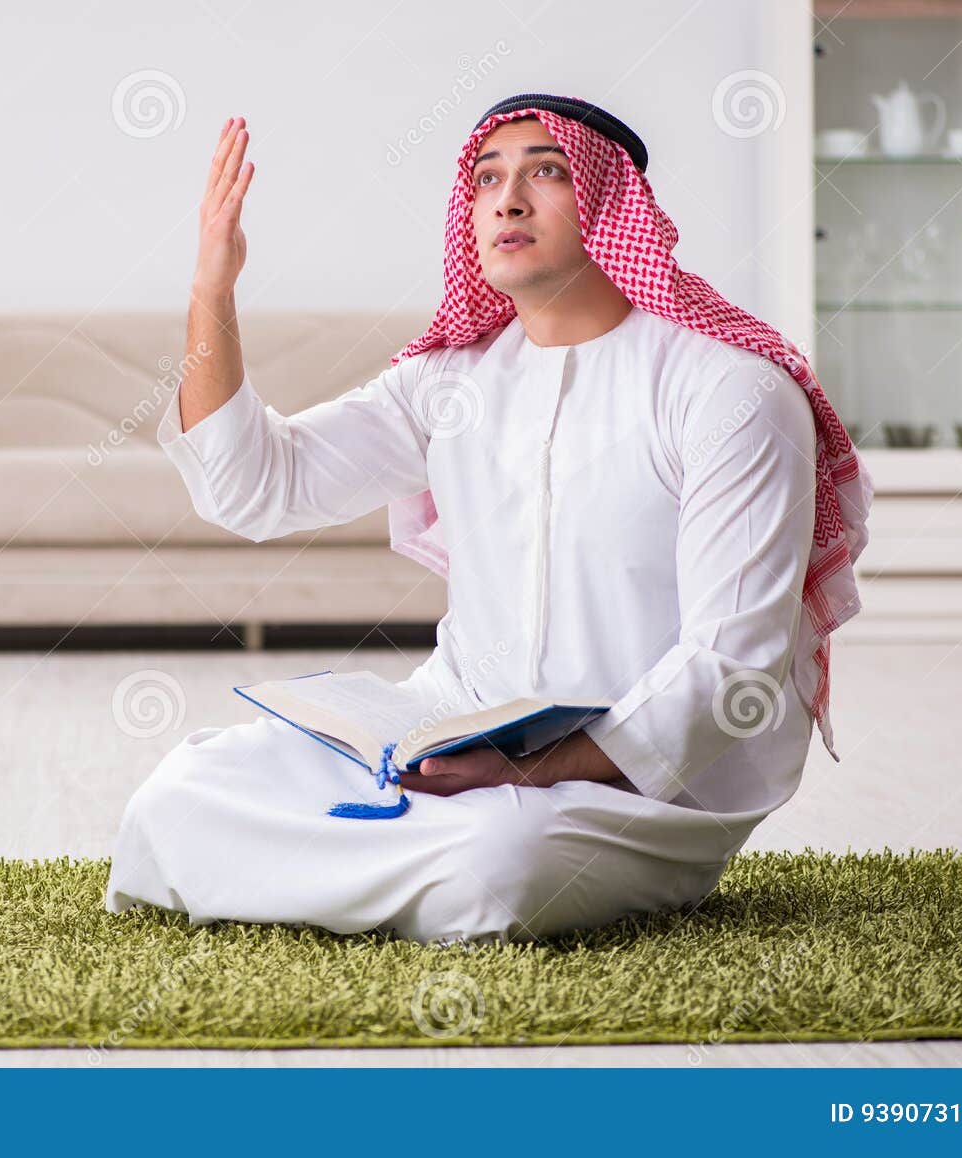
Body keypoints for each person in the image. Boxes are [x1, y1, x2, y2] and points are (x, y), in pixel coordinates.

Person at [104, 94, 874, 945]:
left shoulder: (729, 389)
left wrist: (532, 768)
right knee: (179, 795)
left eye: (547, 172)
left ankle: (344, 861)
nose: (508, 199)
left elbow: (733, 667)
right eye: (487, 178)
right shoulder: (450, 382)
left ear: (610, 200)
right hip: (446, 734)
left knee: (499, 862)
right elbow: (255, 487)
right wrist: (212, 288)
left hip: (635, 785)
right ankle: (395, 854)